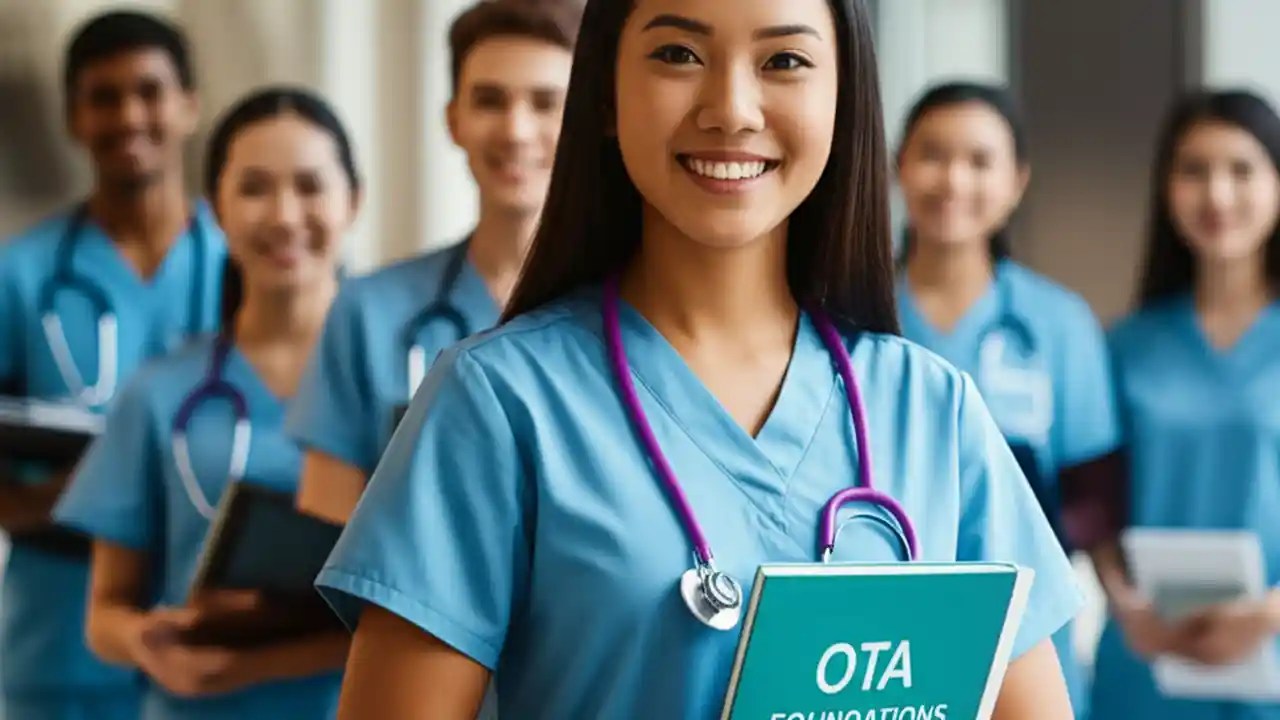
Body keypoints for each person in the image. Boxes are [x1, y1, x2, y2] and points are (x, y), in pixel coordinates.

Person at [314, 0, 1084, 718]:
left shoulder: (932, 411)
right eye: (678, 53)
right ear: (607, 99)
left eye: (784, 62)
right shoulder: (497, 402)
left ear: (844, 105)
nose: (732, 110)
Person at [54, 87, 361, 719]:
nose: (283, 214)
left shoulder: (406, 383)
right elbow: (105, 615)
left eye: (309, 186)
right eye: (254, 188)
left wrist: (255, 663)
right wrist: (147, 641)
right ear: (215, 207)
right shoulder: (161, 390)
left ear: (352, 201)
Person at [0, 11, 223, 718]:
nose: (129, 115)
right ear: (74, 118)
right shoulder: (23, 276)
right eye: (104, 97)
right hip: (62, 654)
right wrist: (64, 499)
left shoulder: (251, 269)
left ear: (188, 105)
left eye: (150, 91)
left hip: (216, 648)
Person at [287, 0, 581, 524]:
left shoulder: (637, 311)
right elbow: (323, 537)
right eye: (489, 101)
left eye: (545, 103)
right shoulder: (368, 314)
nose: (515, 129)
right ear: (454, 120)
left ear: (587, 120)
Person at [893, 81, 1120, 717]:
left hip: (1029, 628)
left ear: (1017, 180)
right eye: (933, 154)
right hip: (888, 622)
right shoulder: (850, 314)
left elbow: (1092, 500)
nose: (953, 180)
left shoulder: (1058, 324)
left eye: (979, 161)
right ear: (896, 164)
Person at [1088, 90, 1280, 720]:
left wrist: (1268, 613)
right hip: (1146, 667)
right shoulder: (1123, 346)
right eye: (1194, 170)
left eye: (1242, 170)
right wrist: (1126, 607)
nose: (1217, 195)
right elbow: (1094, 507)